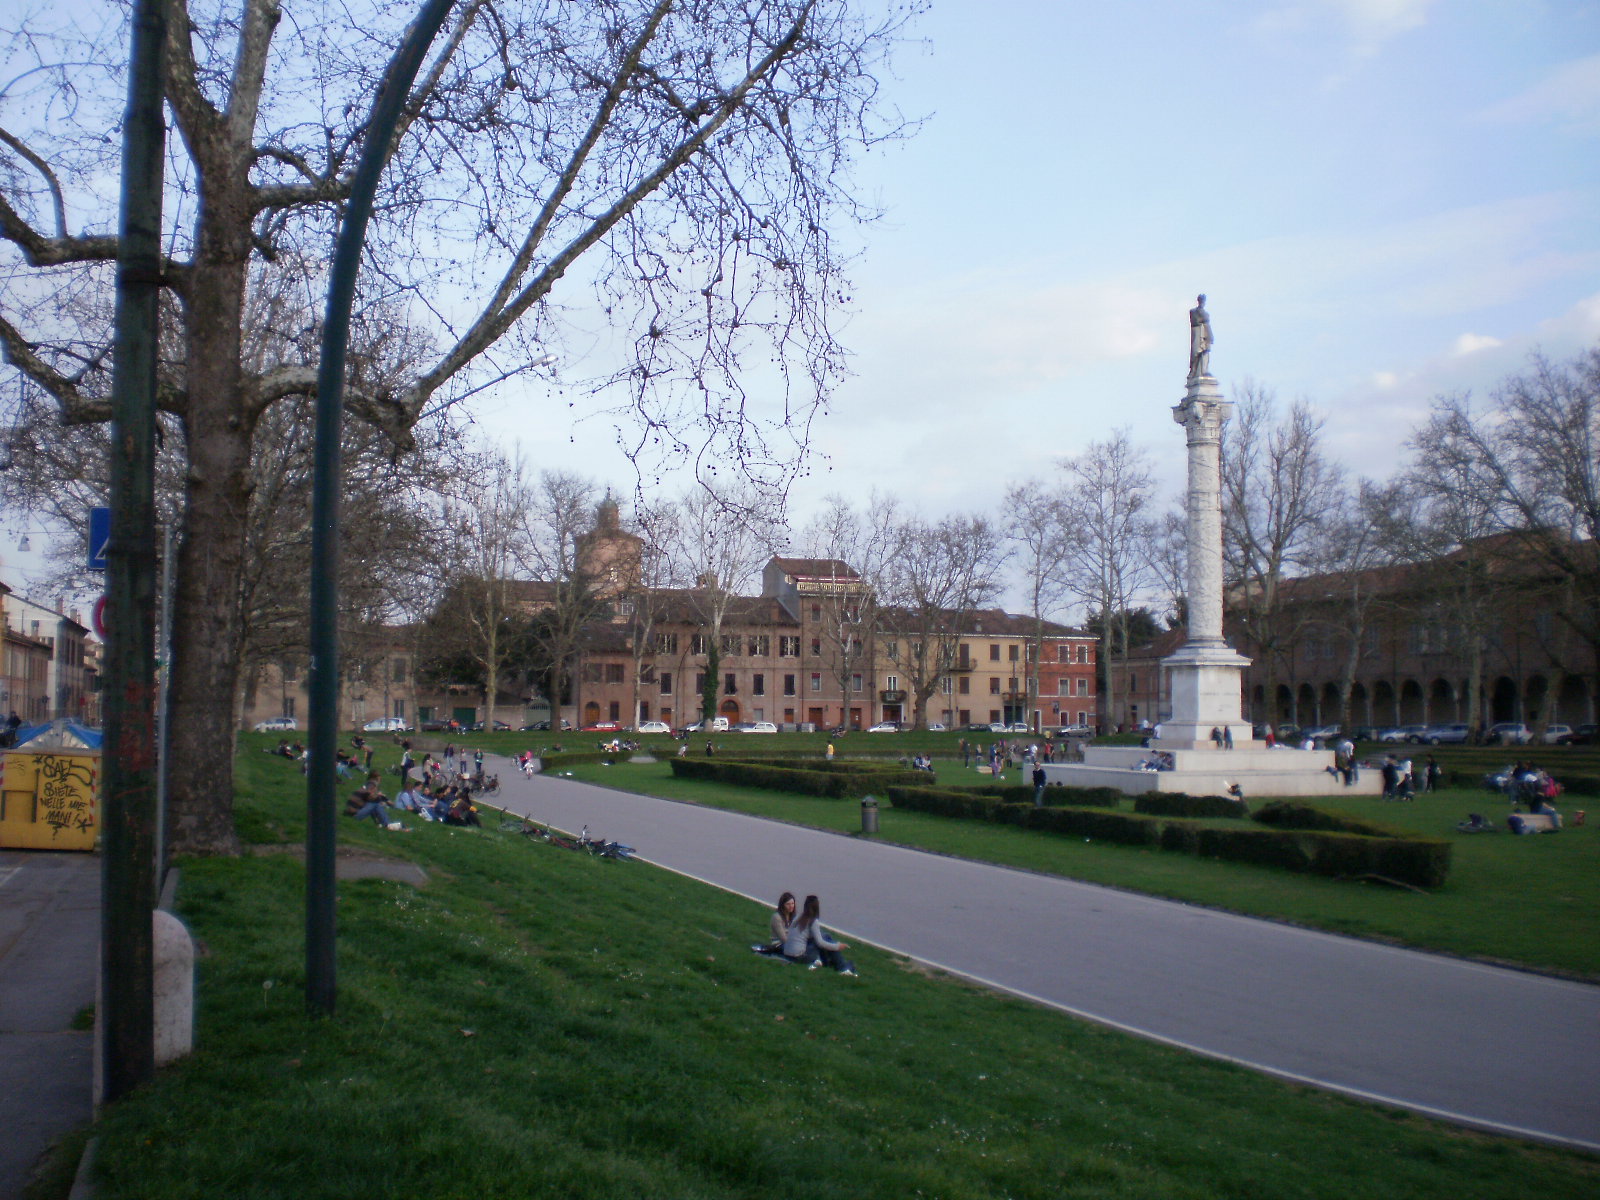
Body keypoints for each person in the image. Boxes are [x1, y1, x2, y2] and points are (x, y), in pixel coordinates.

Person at [782, 895, 856, 975]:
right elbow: (820, 943)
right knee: (824, 939)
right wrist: (837, 946)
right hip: (800, 956)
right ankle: (842, 967)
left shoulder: (798, 917)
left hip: (788, 953)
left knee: (825, 936)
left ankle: (833, 962)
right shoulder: (813, 921)